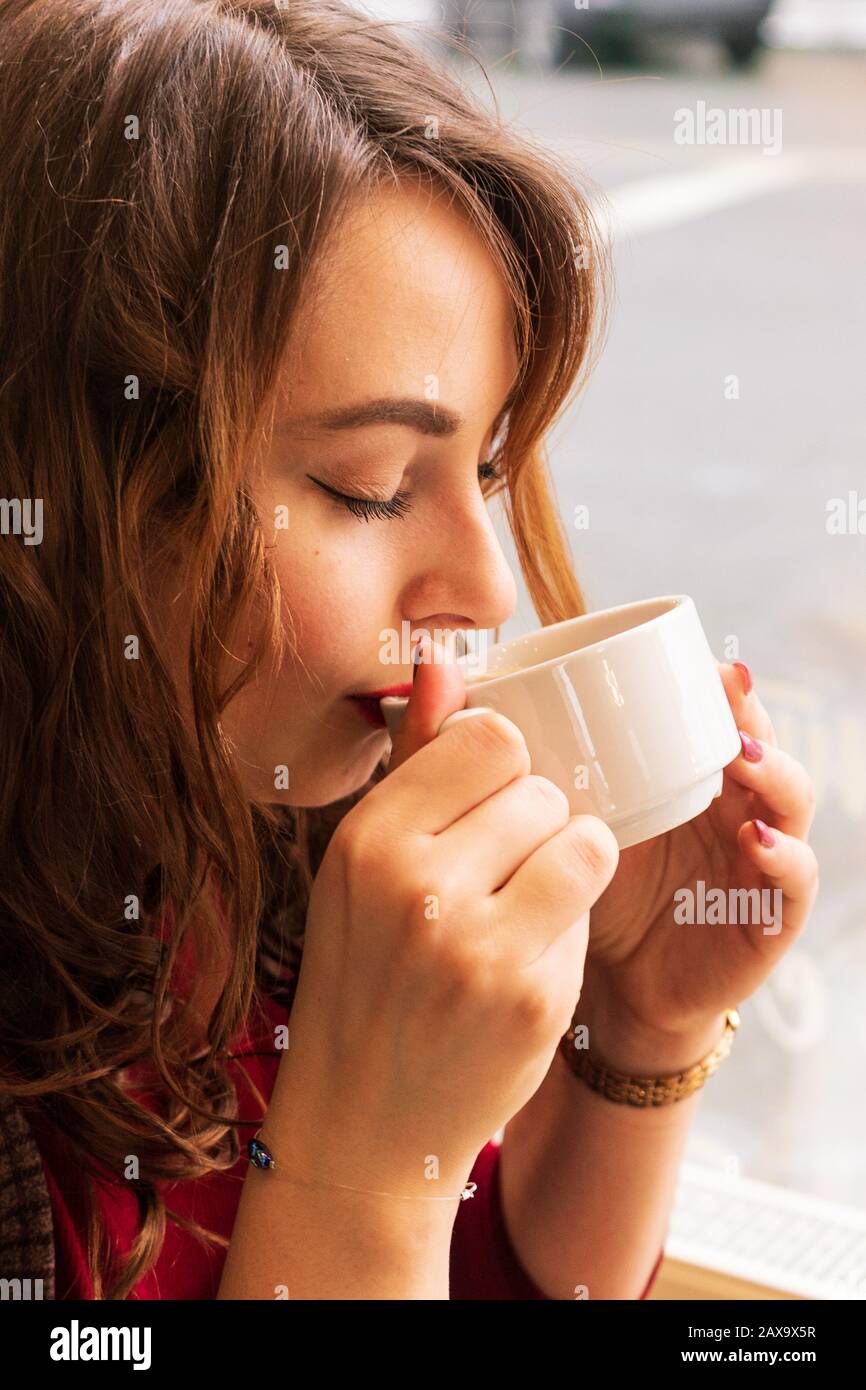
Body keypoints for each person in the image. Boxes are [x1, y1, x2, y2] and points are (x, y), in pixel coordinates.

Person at [0, 0, 818, 1301]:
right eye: (368, 484)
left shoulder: (286, 853)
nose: (487, 580)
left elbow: (477, 1275)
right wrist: (355, 1172)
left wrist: (634, 1034)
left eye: (485, 466)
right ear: (59, 511)